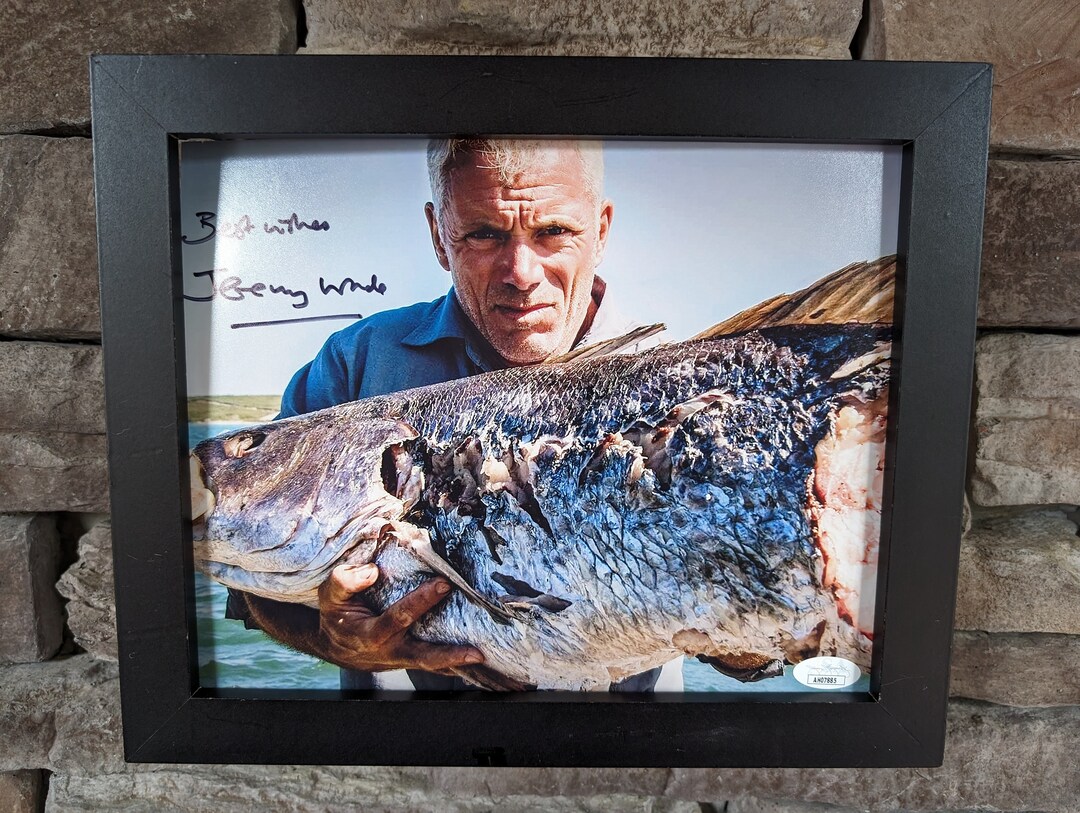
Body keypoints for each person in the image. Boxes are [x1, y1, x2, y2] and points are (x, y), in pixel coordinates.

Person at [227, 138, 665, 691]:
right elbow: (254, 584)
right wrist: (334, 641)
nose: (521, 272)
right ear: (439, 236)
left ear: (600, 229)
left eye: (554, 231)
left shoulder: (692, 385)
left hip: (628, 755)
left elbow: (753, 650)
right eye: (484, 234)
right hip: (402, 759)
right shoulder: (354, 366)